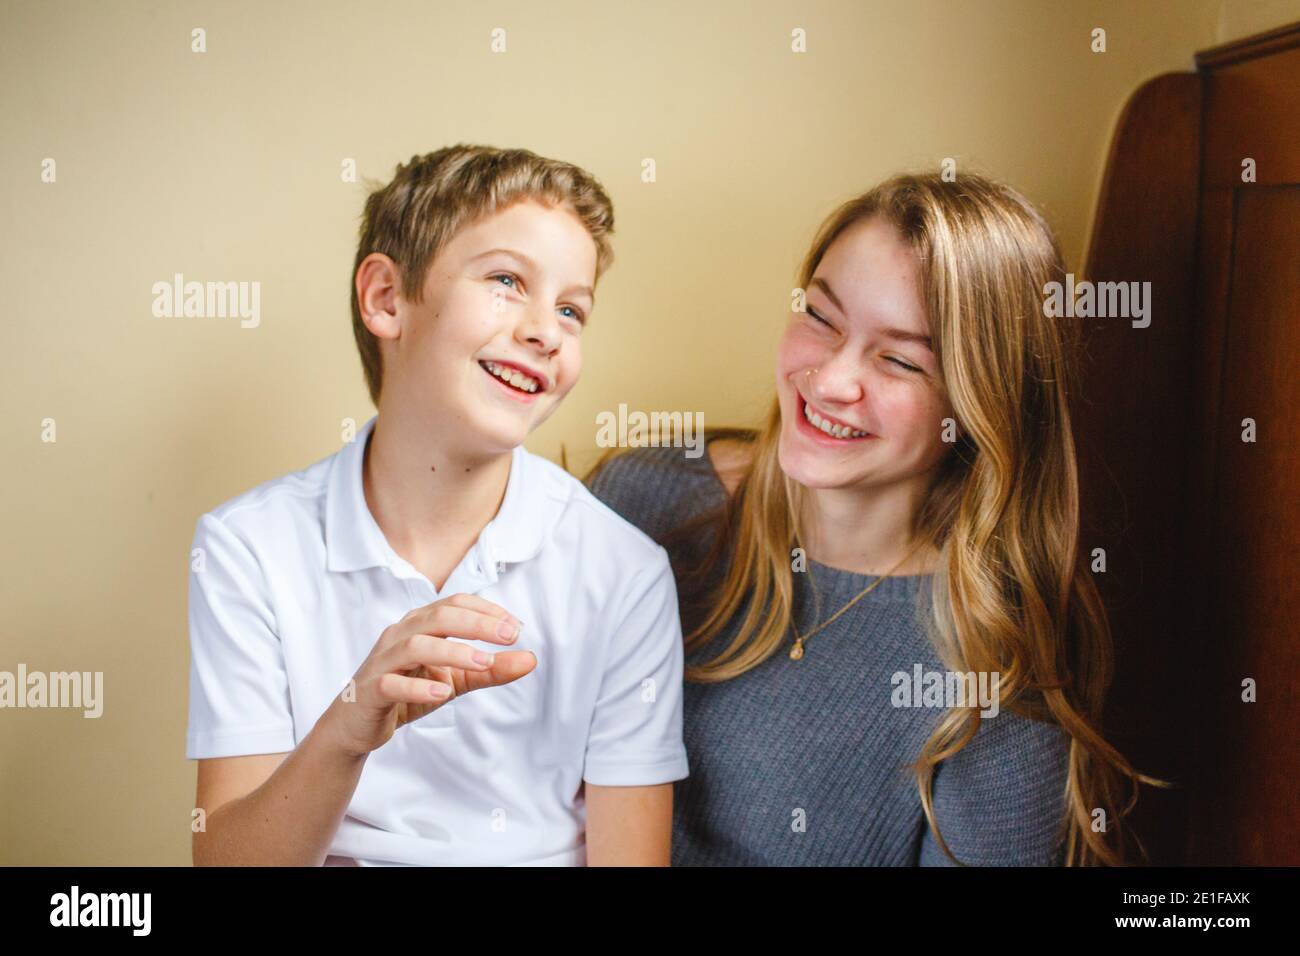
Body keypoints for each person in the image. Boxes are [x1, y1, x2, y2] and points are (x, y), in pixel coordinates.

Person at [587, 171, 1163, 866]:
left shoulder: (995, 668)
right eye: (821, 318)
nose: (830, 380)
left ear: (978, 405)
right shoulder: (642, 500)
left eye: (898, 360)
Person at [185, 144, 688, 866]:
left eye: (572, 309)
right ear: (387, 298)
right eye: (508, 280)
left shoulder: (625, 573)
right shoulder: (247, 546)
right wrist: (350, 724)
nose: (547, 330)